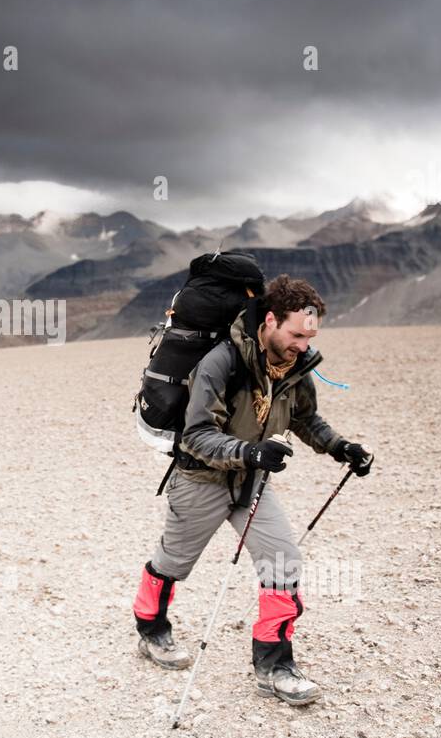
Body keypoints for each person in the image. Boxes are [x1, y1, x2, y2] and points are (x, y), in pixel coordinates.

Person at [130, 274, 373, 705]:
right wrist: (250, 452)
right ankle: (151, 631)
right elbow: (196, 435)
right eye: (296, 334)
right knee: (173, 561)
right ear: (270, 321)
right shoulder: (221, 362)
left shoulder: (296, 367)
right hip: (200, 479)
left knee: (284, 560)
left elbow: (304, 419)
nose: (303, 343)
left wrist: (342, 448)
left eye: (310, 335)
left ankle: (275, 665)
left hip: (252, 483)